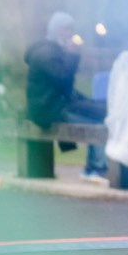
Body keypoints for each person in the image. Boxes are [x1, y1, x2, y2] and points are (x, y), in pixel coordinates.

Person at [24, 11, 107, 179]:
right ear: (55, 30)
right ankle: (95, 168)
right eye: (66, 29)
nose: (70, 33)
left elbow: (65, 86)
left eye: (71, 29)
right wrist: (73, 55)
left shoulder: (53, 50)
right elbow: (63, 78)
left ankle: (92, 168)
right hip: (49, 110)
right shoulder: (45, 53)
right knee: (98, 125)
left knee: (101, 111)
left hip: (56, 106)